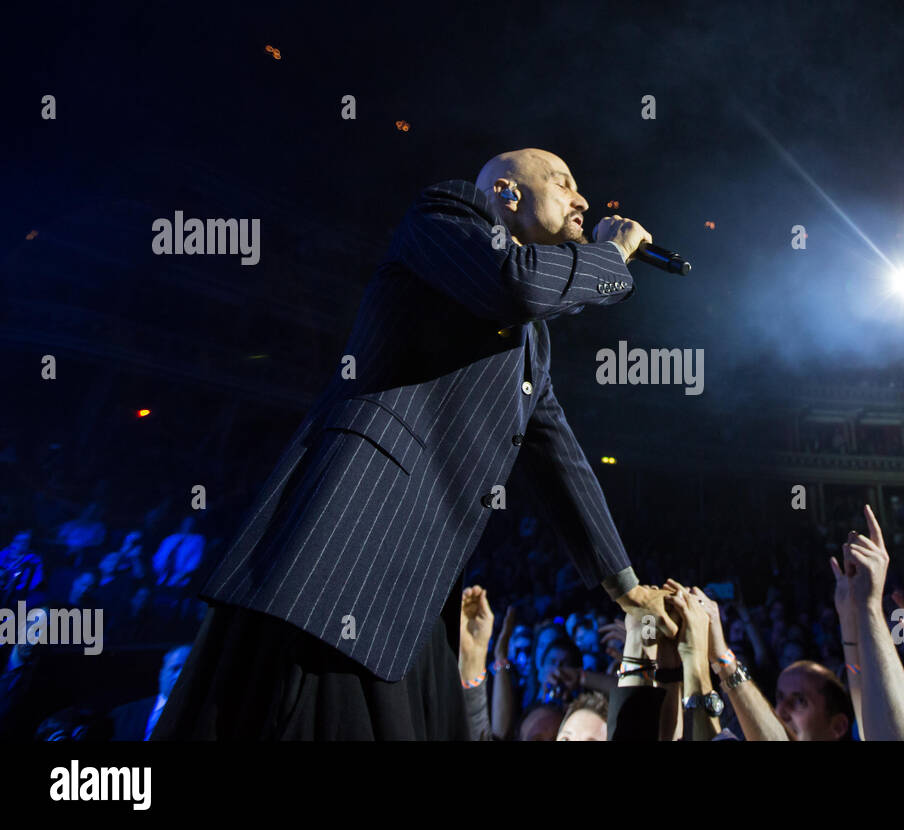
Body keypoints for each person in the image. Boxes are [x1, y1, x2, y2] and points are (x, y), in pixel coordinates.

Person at [154, 148, 674, 740]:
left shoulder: (534, 343)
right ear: (507, 192)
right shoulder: (447, 214)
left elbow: (561, 460)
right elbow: (515, 284)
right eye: (563, 183)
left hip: (416, 584)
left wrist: (624, 585)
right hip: (343, 546)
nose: (583, 200)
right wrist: (611, 254)